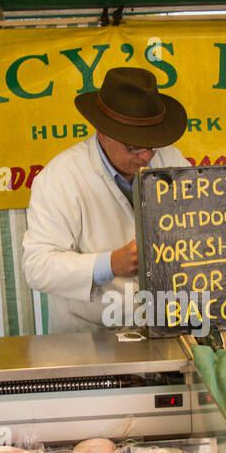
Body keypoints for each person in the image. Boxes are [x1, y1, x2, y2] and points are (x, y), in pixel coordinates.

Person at [22, 67, 188, 334]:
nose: (146, 157)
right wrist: (110, 263)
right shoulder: (59, 178)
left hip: (163, 327)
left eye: (152, 145)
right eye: (133, 147)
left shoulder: (172, 160)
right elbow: (37, 267)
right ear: (102, 133)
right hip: (89, 339)